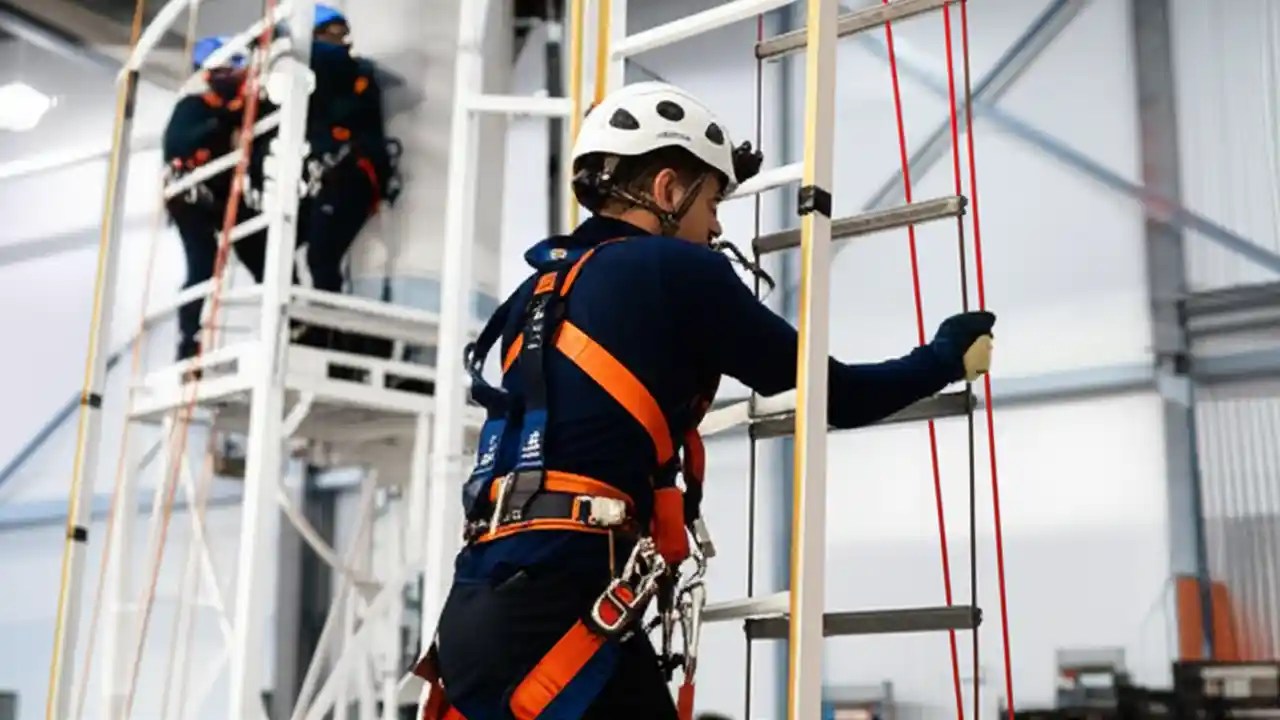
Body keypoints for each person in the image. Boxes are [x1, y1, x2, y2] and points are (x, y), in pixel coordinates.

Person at [416, 81, 997, 720]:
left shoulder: (535, 292)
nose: (718, 225)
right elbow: (839, 394)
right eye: (713, 202)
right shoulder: (677, 270)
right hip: (559, 605)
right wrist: (942, 358)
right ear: (667, 190)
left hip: (475, 609)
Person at [291, 4, 400, 356]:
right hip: (333, 175)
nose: (338, 41)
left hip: (348, 174)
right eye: (331, 34)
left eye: (339, 35)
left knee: (320, 257)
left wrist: (287, 46)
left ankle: (326, 332)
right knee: (299, 249)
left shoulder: (335, 65)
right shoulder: (334, 72)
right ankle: (316, 326)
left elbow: (321, 59)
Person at [163, 35, 268, 362]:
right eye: (228, 69)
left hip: (225, 196)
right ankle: (189, 338)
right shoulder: (193, 107)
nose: (236, 75)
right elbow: (179, 143)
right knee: (202, 266)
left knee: (263, 255)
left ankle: (291, 324)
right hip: (192, 197)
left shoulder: (241, 107)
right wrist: (223, 119)